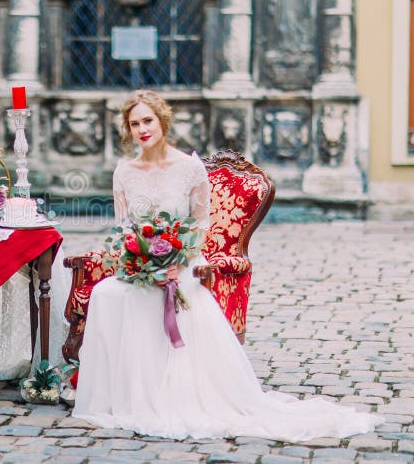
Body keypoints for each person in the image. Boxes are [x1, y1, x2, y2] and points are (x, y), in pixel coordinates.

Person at [72, 90, 383, 441]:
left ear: (162, 121)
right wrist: (140, 260)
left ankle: (170, 394)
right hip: (142, 266)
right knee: (105, 293)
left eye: (148, 121)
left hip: (185, 263)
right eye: (134, 124)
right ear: (127, 130)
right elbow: (125, 227)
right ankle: (123, 396)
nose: (143, 129)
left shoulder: (189, 168)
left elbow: (200, 228)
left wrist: (174, 263)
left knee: (158, 296)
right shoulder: (125, 172)